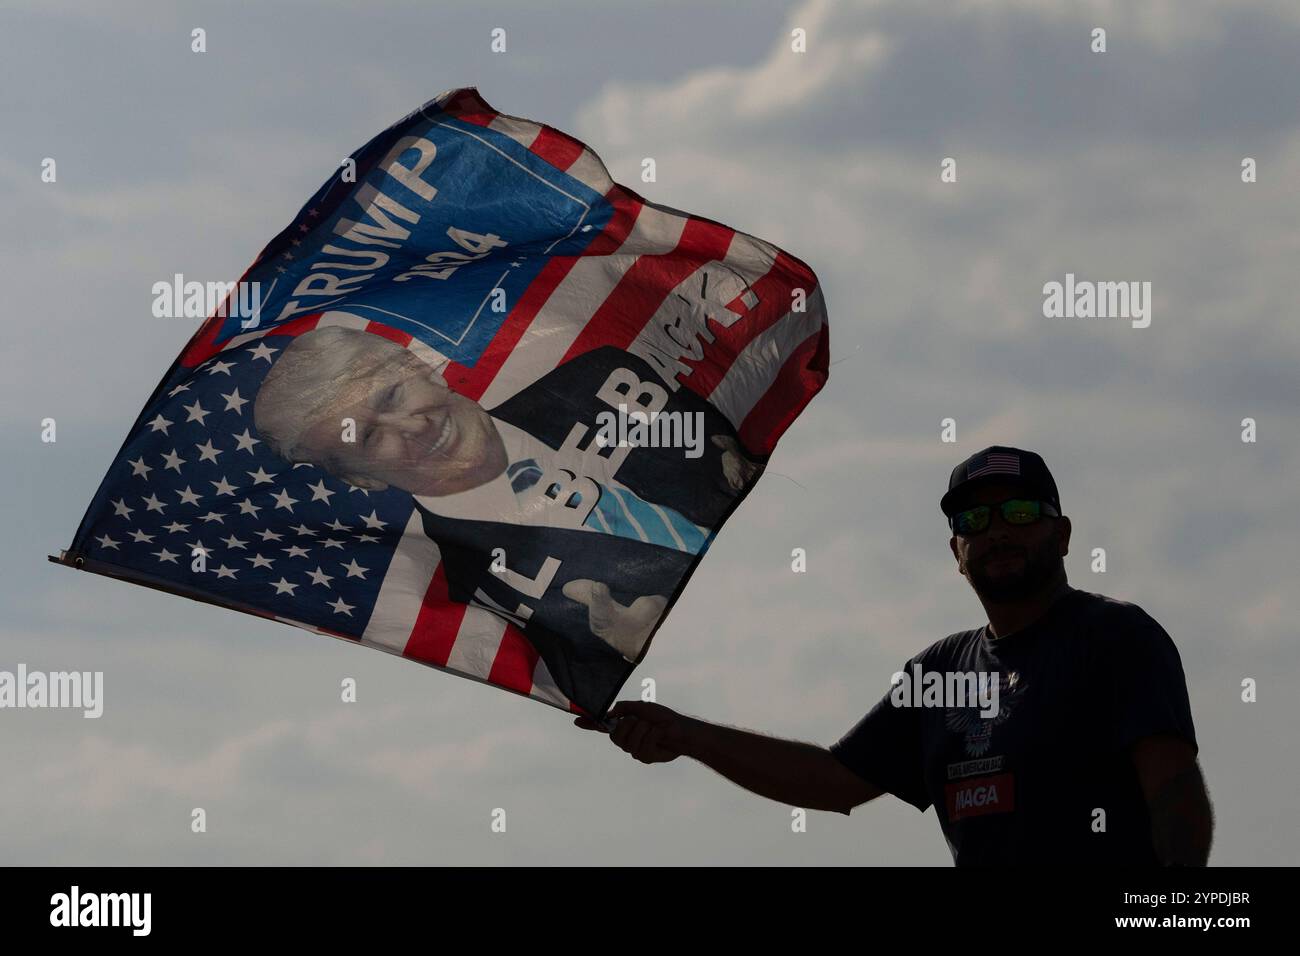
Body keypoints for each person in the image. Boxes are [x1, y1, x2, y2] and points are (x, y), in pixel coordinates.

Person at [577, 445, 1214, 866]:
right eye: (974, 522)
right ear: (955, 553)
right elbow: (832, 780)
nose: (997, 531)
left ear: (1063, 534)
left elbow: (1174, 787)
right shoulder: (938, 672)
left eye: (1020, 513)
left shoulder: (1117, 638)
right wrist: (687, 734)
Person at [252, 324, 763, 706]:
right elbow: (612, 704)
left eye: (392, 395)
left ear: (422, 368)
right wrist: (637, 652)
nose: (411, 424)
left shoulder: (607, 382)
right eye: (366, 436)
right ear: (360, 478)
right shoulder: (472, 595)